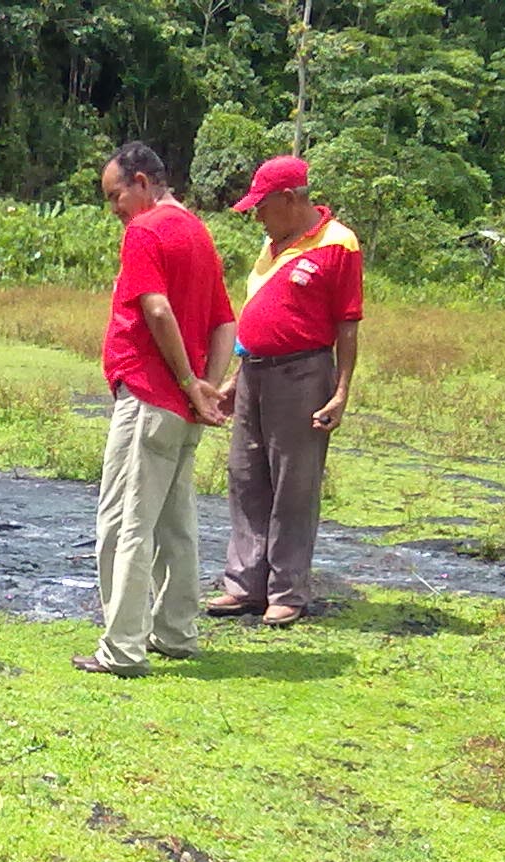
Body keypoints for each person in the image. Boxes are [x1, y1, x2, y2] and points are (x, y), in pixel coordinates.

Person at [72, 141, 237, 677]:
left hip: (150, 397)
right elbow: (224, 322)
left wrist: (191, 383)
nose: (114, 209)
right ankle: (176, 631)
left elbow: (158, 309)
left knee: (124, 524)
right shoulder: (197, 232)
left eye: (115, 196)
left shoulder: (146, 231)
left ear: (141, 182)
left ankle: (122, 648)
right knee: (175, 524)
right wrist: (207, 389)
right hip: (180, 409)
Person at [207, 155, 363, 627]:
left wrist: (340, 391)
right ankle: (244, 584)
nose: (257, 215)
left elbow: (348, 324)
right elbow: (257, 312)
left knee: (294, 483)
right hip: (254, 371)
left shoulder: (338, 244)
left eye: (262, 206)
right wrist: (237, 376)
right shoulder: (270, 245)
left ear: (290, 199)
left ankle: (287, 590)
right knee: (245, 476)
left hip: (302, 374)